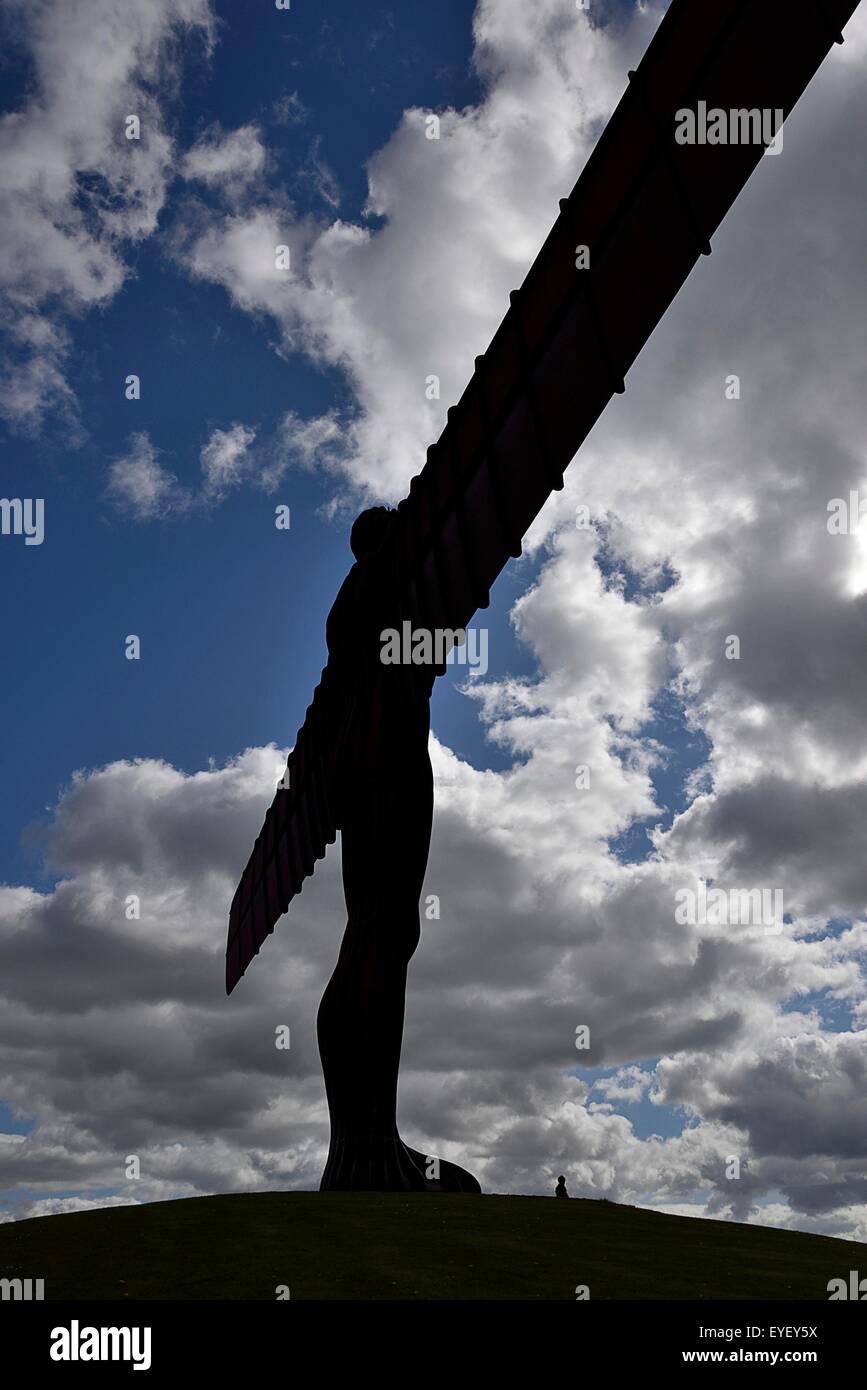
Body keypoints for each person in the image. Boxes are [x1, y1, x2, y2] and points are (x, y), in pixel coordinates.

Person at [316, 506, 480, 1193]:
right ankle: (363, 1146)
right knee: (381, 933)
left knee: (382, 931)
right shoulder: (377, 592)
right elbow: (419, 650)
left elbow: (423, 651)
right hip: (385, 766)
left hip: (374, 764)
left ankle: (369, 1139)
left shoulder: (358, 601)